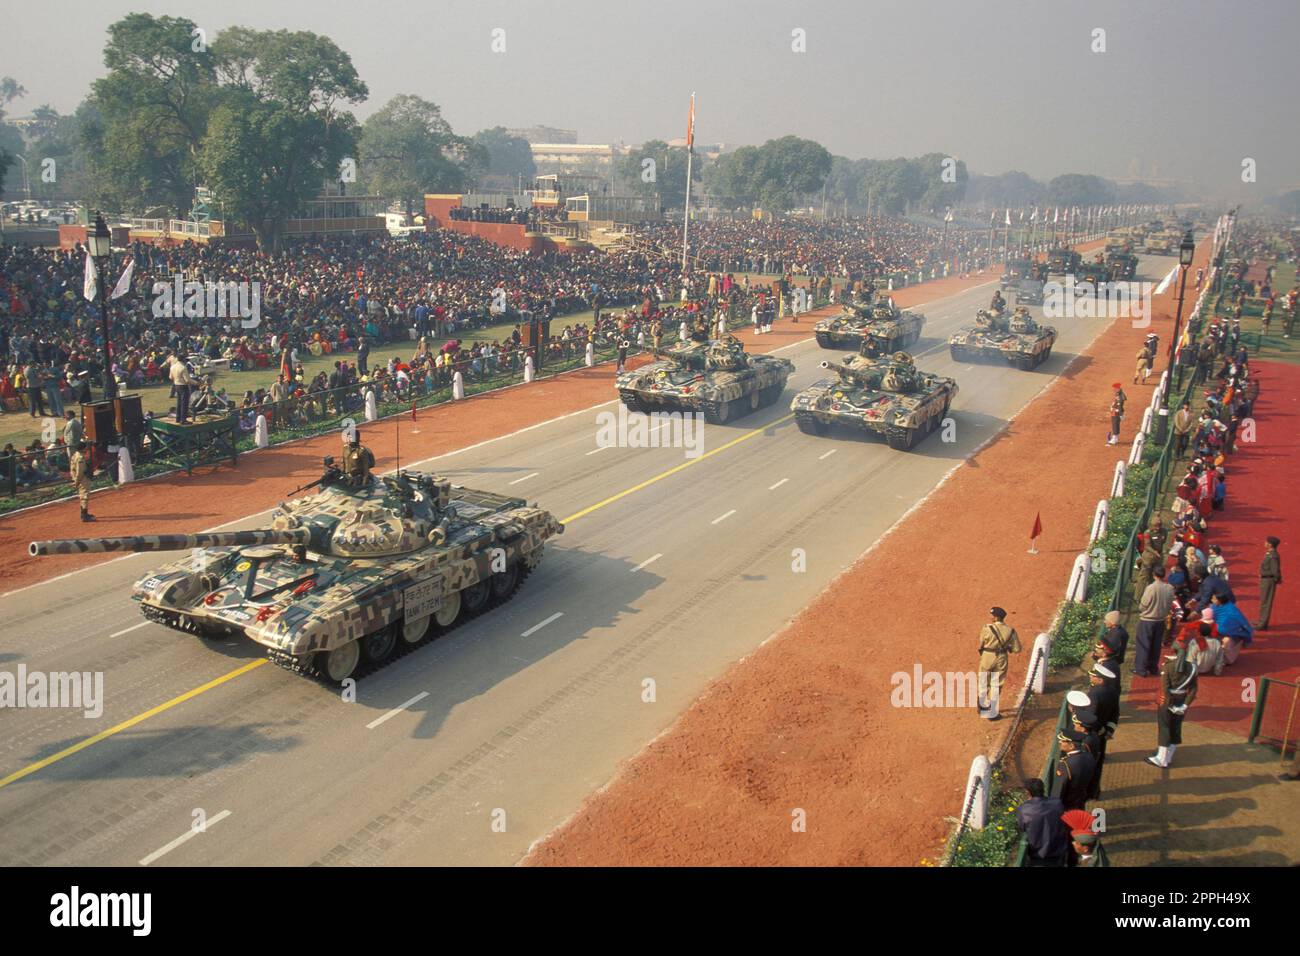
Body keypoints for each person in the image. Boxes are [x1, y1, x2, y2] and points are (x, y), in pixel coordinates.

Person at [1148, 642, 1198, 768]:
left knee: (1164, 728)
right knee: (1176, 727)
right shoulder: (1192, 668)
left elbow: (1165, 688)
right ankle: (1168, 756)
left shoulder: (1168, 667)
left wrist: (1169, 704)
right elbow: (1193, 689)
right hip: (1181, 700)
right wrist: (1185, 705)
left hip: (1167, 702)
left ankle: (1161, 758)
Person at [976, 606, 1021, 720]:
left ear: (996, 617)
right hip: (1001, 658)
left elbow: (981, 643)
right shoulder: (1011, 631)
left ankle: (981, 705)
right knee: (996, 684)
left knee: (983, 680)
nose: (990, 617)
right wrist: (1008, 646)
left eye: (991, 615)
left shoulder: (987, 628)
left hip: (987, 656)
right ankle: (991, 712)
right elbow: (1017, 649)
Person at [1015, 778, 1068, 867]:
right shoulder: (1058, 803)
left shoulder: (1024, 809)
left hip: (1038, 857)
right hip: (1058, 853)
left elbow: (1022, 828)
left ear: (1028, 792)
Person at [1135, 566, 1175, 677]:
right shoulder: (1170, 588)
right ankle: (1153, 667)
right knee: (1156, 645)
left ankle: (1141, 669)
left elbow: (1143, 604)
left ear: (1154, 575)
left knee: (1143, 645)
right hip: (1160, 620)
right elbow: (1171, 603)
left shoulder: (1151, 588)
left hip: (1147, 620)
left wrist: (1142, 609)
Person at [1055, 728, 1097, 811]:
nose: (1060, 742)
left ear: (1072, 746)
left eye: (1063, 741)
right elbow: (1093, 780)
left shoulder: (1065, 764)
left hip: (1067, 805)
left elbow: (1058, 791)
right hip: (1081, 799)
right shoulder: (1089, 757)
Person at [1212, 590, 1253, 667]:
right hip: (1220, 633)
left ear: (1220, 601)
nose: (1212, 600)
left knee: (1226, 642)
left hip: (1233, 635)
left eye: (1213, 599)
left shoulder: (1231, 611)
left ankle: (1225, 660)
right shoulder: (1215, 607)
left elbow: (1241, 621)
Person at [1256, 536, 1282, 630]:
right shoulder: (1269, 554)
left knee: (1266, 602)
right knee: (1264, 601)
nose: (1265, 543)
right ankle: (1261, 620)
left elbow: (1275, 571)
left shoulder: (1273, 555)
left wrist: (1275, 579)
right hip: (1266, 579)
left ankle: (1263, 623)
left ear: (1270, 544)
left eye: (1266, 542)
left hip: (1269, 580)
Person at [69, 440, 94, 522]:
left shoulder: (75, 455)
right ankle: (84, 515)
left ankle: (83, 514)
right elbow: (80, 472)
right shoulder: (80, 458)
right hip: (83, 479)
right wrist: (77, 482)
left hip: (80, 478)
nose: (86, 448)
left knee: (82, 496)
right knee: (84, 497)